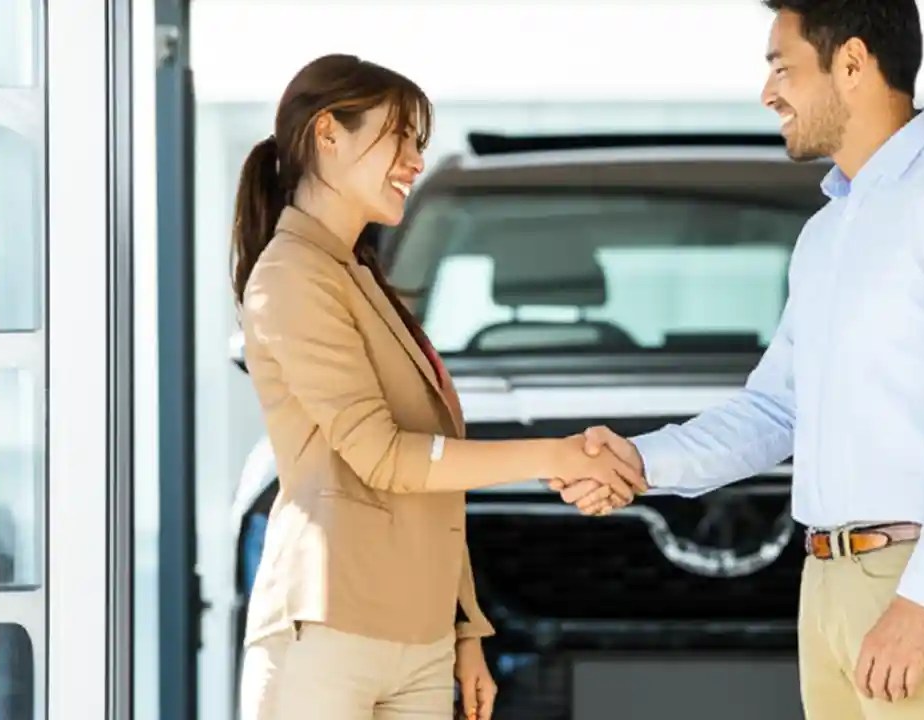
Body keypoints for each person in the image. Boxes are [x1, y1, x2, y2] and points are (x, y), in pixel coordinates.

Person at [552, 1, 924, 717]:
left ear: (852, 62)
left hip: (921, 580)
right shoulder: (827, 232)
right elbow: (776, 408)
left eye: (782, 67)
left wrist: (921, 599)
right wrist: (639, 461)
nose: (768, 93)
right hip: (827, 583)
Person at [232, 54, 643, 720]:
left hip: (418, 642)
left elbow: (435, 483)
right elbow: (387, 457)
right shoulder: (290, 276)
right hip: (328, 634)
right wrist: (553, 455)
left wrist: (464, 631)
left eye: (418, 144)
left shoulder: (361, 280)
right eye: (400, 137)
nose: (415, 160)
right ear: (328, 134)